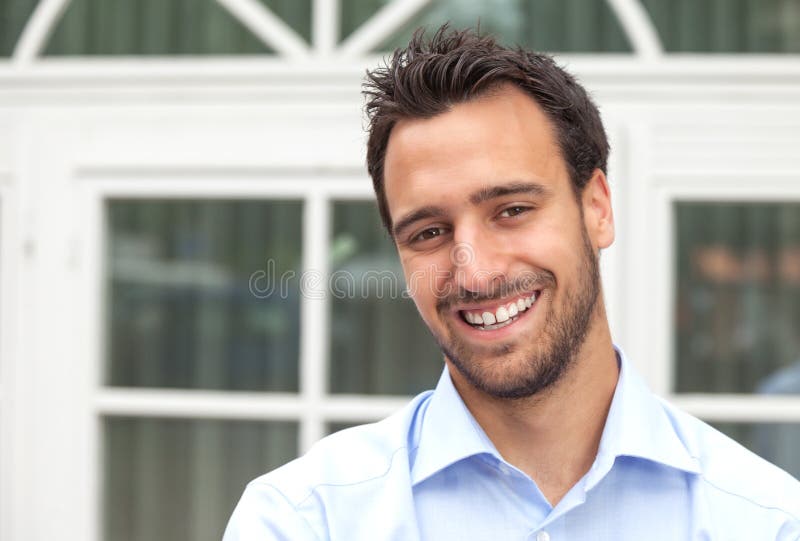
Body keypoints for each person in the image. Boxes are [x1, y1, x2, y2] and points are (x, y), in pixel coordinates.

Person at [223, 26, 800, 540]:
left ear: (597, 208)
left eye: (512, 210)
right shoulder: (303, 521)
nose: (475, 272)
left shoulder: (765, 522)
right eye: (429, 232)